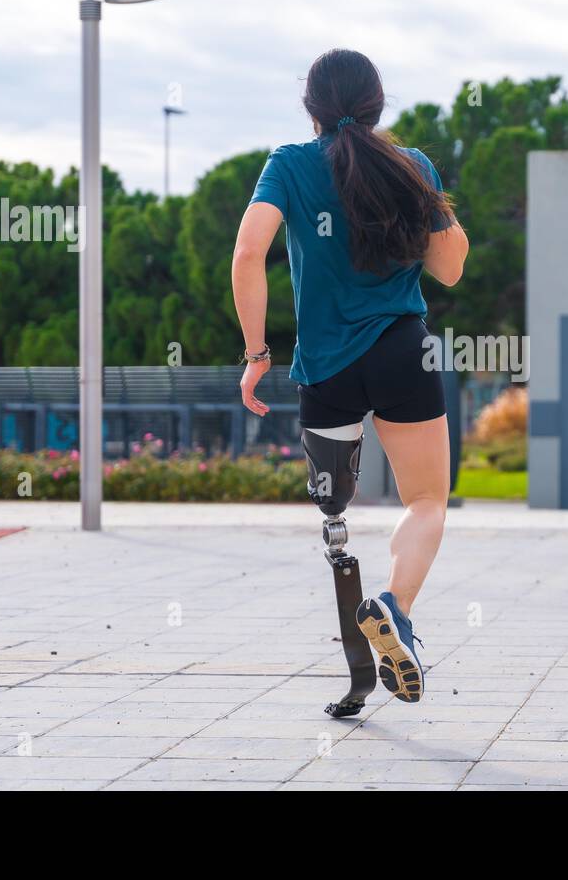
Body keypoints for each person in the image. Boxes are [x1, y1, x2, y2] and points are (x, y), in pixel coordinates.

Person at [231, 49, 469, 704]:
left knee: (335, 517)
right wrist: (422, 194)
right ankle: (394, 608)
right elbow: (450, 267)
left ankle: (361, 660)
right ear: (378, 104)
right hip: (402, 351)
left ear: (310, 108)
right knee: (426, 502)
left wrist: (257, 355)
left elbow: (249, 252)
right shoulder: (410, 165)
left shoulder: (289, 163)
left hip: (326, 369)